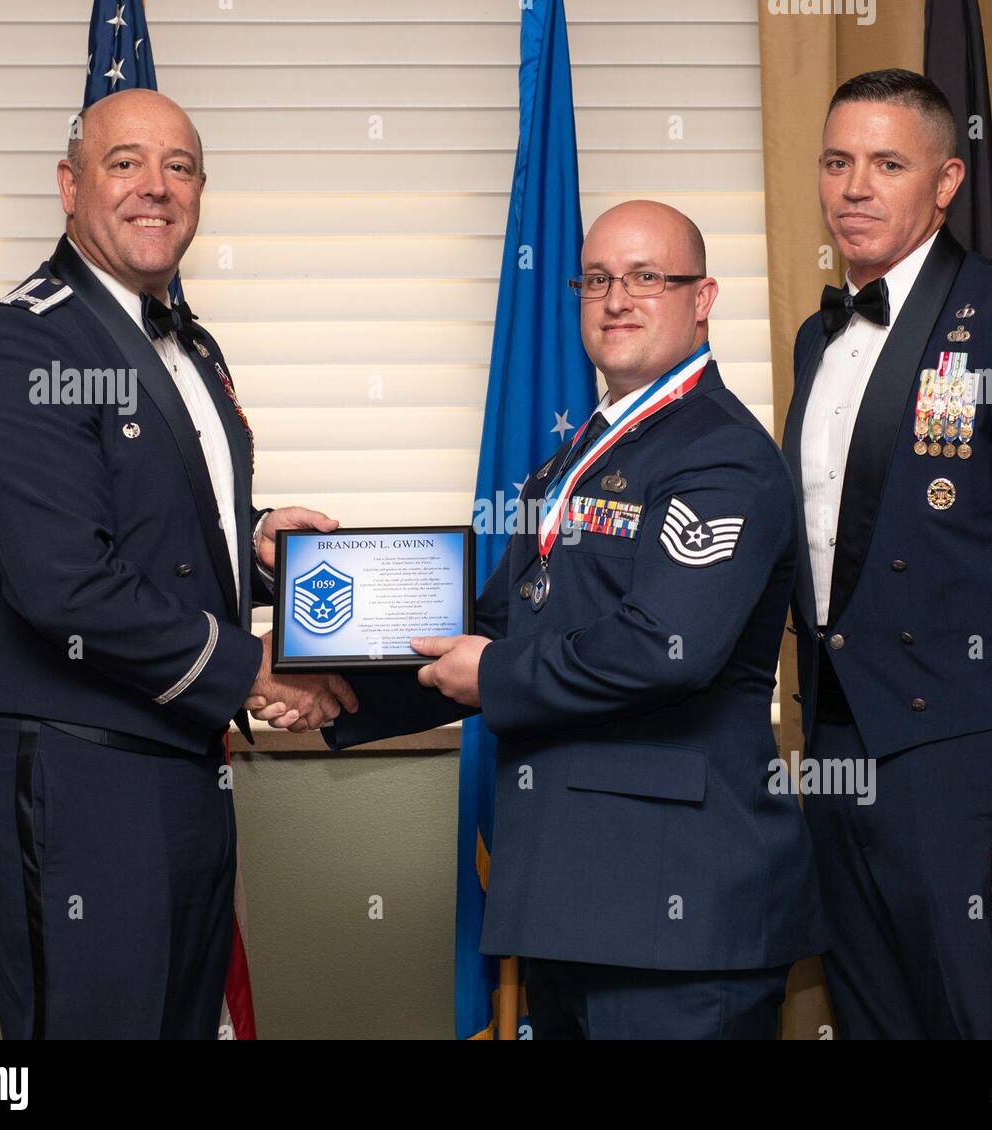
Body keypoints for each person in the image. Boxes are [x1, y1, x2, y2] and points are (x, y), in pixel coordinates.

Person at [317, 200, 825, 1040]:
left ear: (703, 299)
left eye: (645, 278)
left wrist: (493, 671)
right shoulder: (573, 460)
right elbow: (492, 628)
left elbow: (666, 650)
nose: (615, 298)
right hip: (571, 902)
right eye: (596, 279)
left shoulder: (722, 453)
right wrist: (330, 676)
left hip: (678, 917)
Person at [0, 89, 355, 1039]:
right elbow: (63, 583)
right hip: (76, 780)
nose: (154, 189)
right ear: (69, 186)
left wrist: (252, 544)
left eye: (180, 167)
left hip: (173, 767)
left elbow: (147, 527)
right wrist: (259, 669)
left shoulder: (184, 340)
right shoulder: (25, 343)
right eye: (124, 163)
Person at [781, 69, 992, 1039]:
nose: (855, 186)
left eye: (887, 163)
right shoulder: (819, 338)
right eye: (837, 161)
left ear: (944, 181)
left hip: (971, 778)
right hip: (840, 764)